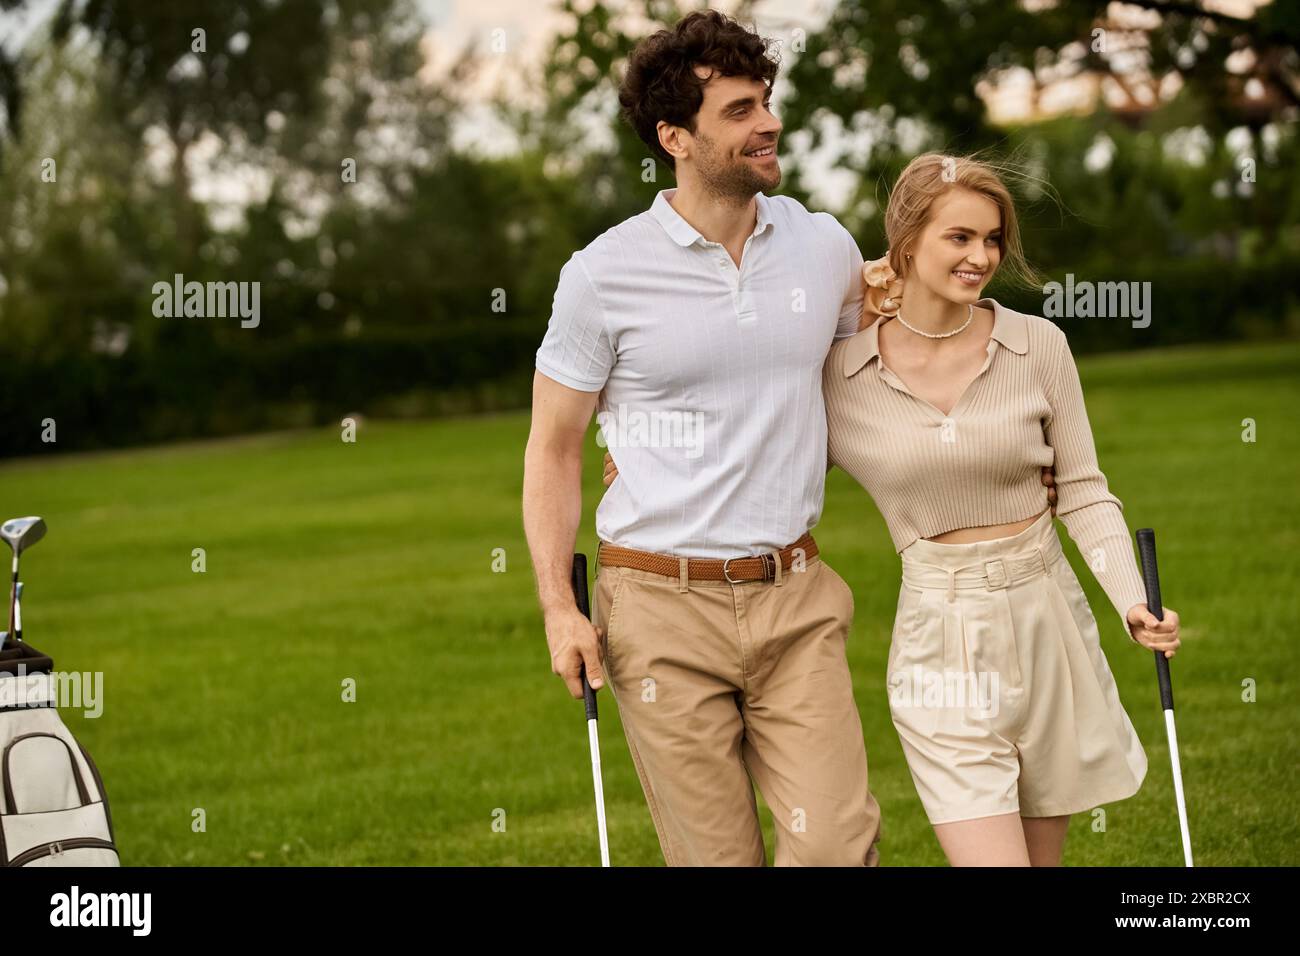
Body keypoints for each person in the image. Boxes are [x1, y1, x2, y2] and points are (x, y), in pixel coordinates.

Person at [522, 10, 887, 866]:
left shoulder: (824, 245)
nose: (768, 124)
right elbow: (554, 447)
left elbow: (864, 395)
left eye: (764, 101)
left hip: (795, 594)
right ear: (674, 136)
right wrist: (557, 608)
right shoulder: (602, 275)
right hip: (657, 608)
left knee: (836, 847)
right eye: (738, 111)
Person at [821, 151, 1182, 866]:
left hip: (1047, 617)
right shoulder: (842, 374)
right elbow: (760, 454)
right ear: (908, 243)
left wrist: (1133, 601)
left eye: (991, 239)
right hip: (937, 639)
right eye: (959, 237)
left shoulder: (1036, 344)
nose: (981, 256)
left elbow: (1081, 487)